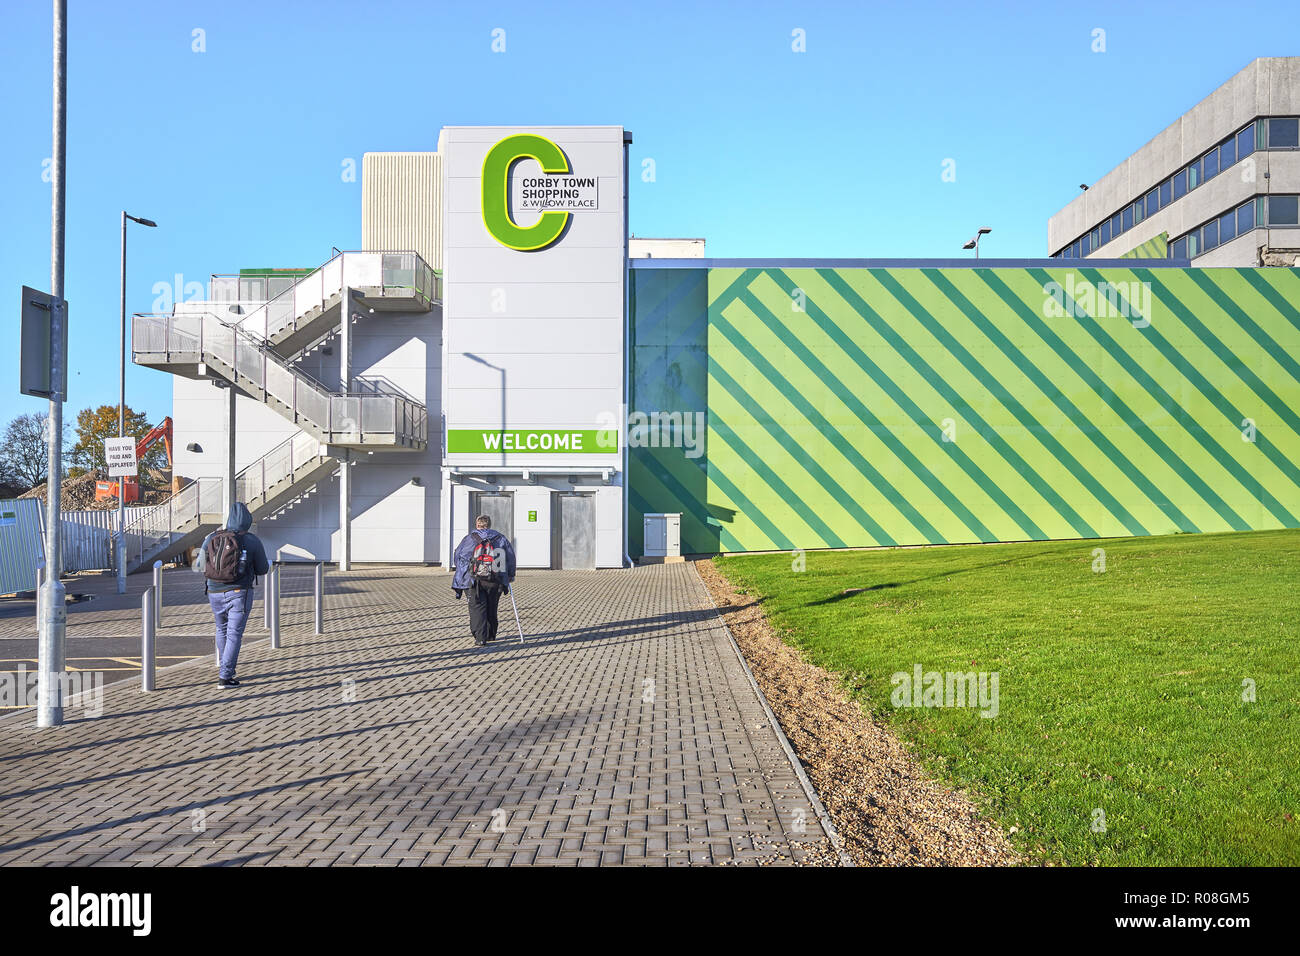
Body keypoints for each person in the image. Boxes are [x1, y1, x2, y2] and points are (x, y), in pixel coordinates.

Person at [194, 502, 270, 687]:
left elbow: (198, 566)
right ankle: (225, 676)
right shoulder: (251, 540)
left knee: (221, 630)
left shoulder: (212, 537)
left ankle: (225, 667)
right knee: (234, 634)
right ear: (248, 521)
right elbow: (263, 569)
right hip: (239, 592)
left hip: (213, 591)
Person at [452, 514, 517, 646]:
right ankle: (491, 634)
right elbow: (510, 558)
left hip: (473, 580)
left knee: (477, 608)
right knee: (492, 607)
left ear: (477, 525)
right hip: (495, 579)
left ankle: (480, 638)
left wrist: (461, 575)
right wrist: (510, 575)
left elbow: (458, 556)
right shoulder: (500, 538)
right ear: (489, 525)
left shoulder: (469, 539)